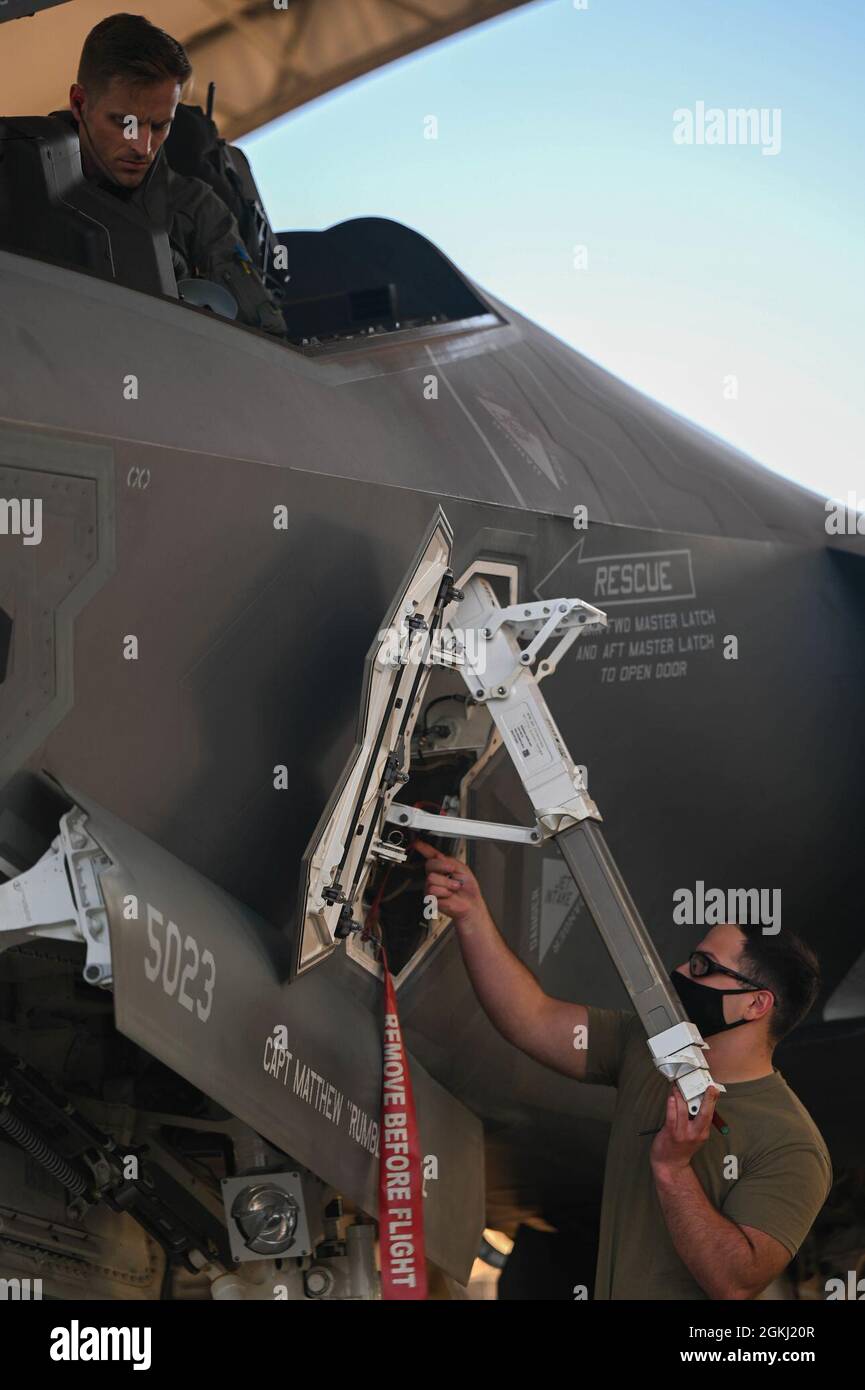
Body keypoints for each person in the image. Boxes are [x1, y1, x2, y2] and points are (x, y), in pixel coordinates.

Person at [414, 839, 833, 1301]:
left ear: (756, 1004)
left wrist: (672, 1169)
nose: (680, 971)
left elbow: (735, 1281)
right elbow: (532, 1019)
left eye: (702, 966)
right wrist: (471, 914)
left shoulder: (792, 1146)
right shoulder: (652, 1048)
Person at [51, 12, 285, 335]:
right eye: (124, 123)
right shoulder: (16, 184)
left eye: (160, 125)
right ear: (79, 104)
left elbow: (267, 342)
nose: (143, 147)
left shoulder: (200, 213)